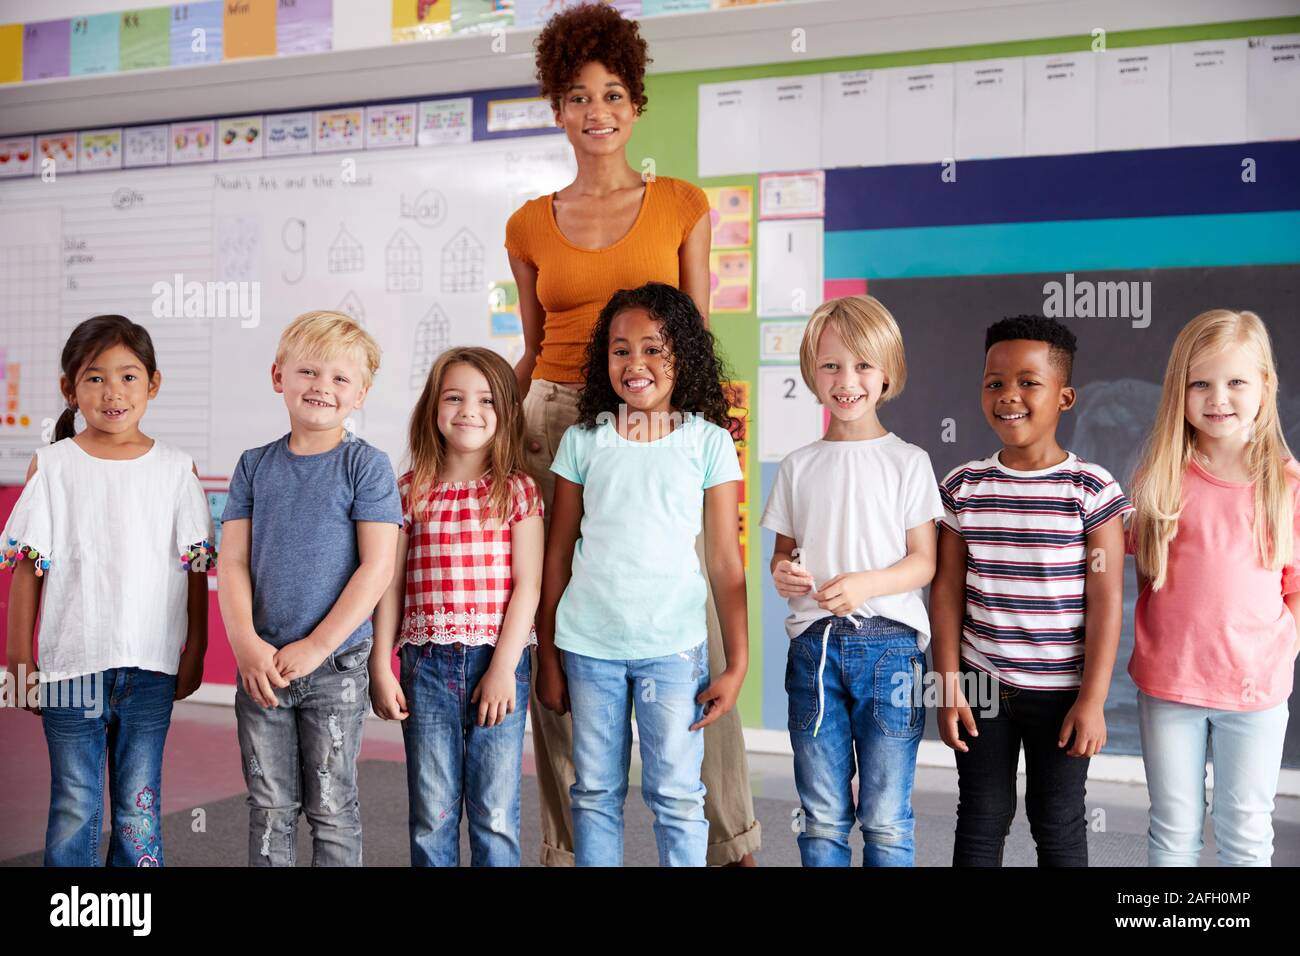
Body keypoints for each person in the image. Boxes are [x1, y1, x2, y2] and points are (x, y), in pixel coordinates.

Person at [505, 2, 759, 865]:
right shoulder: (529, 223)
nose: (597, 112)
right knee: (560, 617)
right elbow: (535, 350)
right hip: (552, 422)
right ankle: (573, 843)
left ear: (636, 103)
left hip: (662, 420)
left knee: (696, 622)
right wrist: (480, 437)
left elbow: (698, 335)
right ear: (557, 106)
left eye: (614, 94)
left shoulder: (681, 204)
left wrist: (713, 434)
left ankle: (729, 838)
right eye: (578, 95)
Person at [537, 282, 747, 866]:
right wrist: (550, 657)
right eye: (620, 349)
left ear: (683, 356)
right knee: (595, 792)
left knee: (677, 794)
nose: (636, 364)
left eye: (654, 349)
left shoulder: (708, 443)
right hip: (588, 649)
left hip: (673, 651)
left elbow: (726, 562)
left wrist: (738, 662)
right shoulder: (582, 441)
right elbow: (557, 555)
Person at [3, 314, 213, 866]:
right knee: (74, 801)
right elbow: (28, 569)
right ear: (68, 389)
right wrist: (19, 662)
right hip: (71, 664)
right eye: (94, 378)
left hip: (150, 668)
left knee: (138, 808)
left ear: (153, 383)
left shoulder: (175, 471)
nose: (113, 392)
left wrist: (198, 651)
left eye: (128, 376)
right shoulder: (52, 467)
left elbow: (195, 571)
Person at [930, 315, 1131, 866]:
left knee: (1058, 820)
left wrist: (1092, 698)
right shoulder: (963, 485)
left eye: (1028, 382)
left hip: (1063, 691)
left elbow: (1106, 599)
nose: (1008, 396)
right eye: (994, 383)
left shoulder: (1091, 488)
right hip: (982, 682)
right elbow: (945, 590)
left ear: (1064, 397)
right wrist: (947, 682)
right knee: (980, 816)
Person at [760, 295, 942, 866]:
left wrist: (865, 586)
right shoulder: (798, 465)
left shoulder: (907, 462)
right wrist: (785, 574)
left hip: (891, 649)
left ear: (888, 372)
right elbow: (782, 556)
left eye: (863, 365)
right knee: (821, 817)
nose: (847, 381)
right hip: (813, 650)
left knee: (886, 820)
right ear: (813, 374)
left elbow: (924, 563)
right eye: (832, 365)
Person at [218, 311, 401, 866]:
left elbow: (376, 569)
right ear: (279, 377)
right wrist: (247, 645)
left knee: (331, 805)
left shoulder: (366, 467)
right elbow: (232, 563)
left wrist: (317, 646)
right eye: (308, 372)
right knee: (270, 805)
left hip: (336, 667)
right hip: (263, 666)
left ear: (361, 393)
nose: (322, 386)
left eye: (340, 378)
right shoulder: (253, 466)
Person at [1128, 309, 1299, 866]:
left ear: (1265, 387)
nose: (1217, 397)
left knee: (1246, 833)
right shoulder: (1161, 477)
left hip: (1255, 692)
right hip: (1170, 684)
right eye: (1199, 383)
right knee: (1173, 832)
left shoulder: (1288, 487)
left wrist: (1282, 647)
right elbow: (1123, 555)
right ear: (1180, 389)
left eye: (1235, 382)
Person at [371, 347, 543, 866]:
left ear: (506, 412)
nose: (469, 410)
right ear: (433, 407)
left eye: (486, 399)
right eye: (454, 397)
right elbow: (389, 584)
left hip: (497, 664)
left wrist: (504, 670)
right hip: (424, 666)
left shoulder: (517, 491)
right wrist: (382, 662)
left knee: (494, 814)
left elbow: (528, 586)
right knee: (432, 814)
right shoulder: (407, 492)